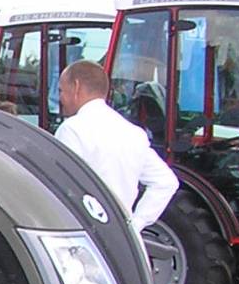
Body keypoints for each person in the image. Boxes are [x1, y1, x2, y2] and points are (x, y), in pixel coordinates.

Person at [55, 59, 178, 233]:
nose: (60, 98)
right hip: (119, 236)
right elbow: (166, 182)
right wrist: (135, 224)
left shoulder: (72, 129)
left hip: (83, 232)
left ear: (76, 87)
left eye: (61, 90)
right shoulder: (134, 133)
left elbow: (62, 188)